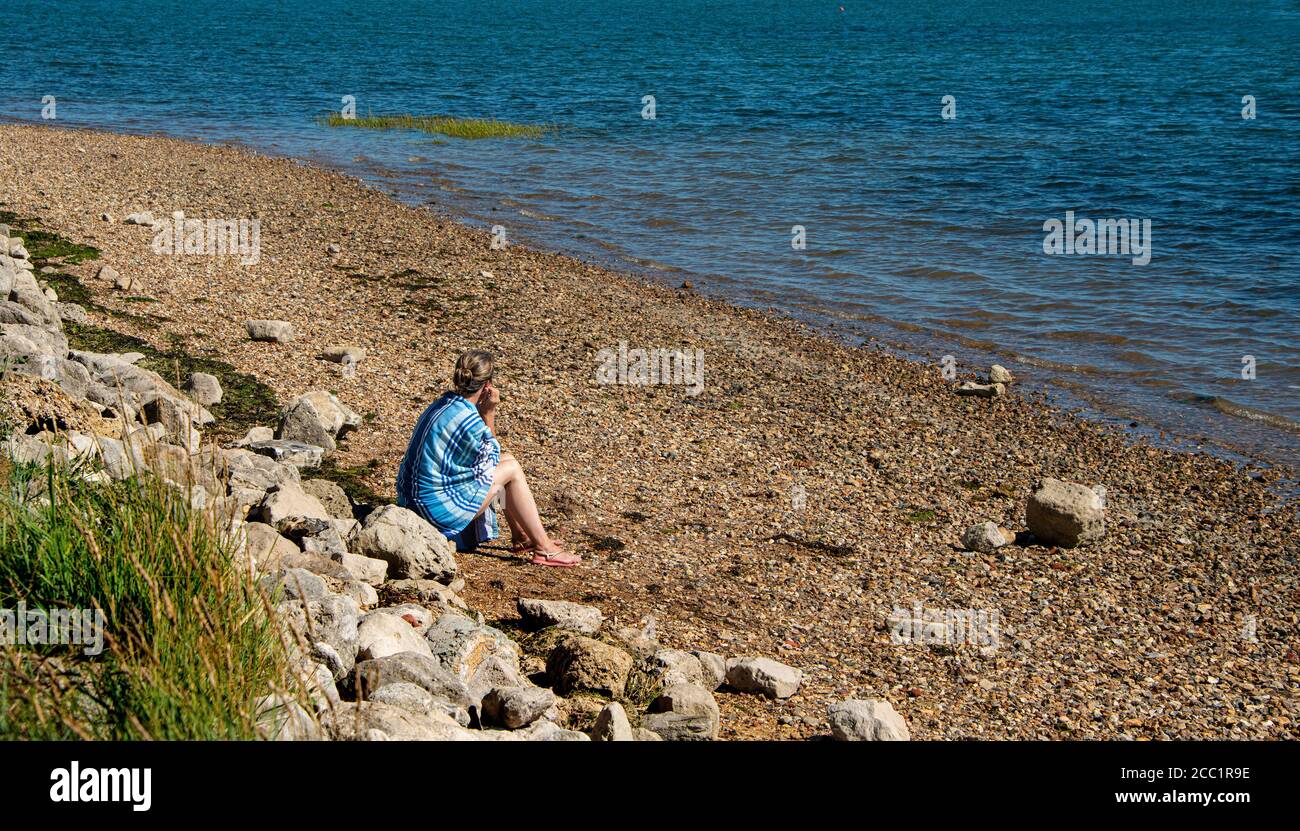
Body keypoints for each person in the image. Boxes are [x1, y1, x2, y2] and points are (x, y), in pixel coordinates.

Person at [396, 350, 578, 567]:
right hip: (431, 511)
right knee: (510, 469)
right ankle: (544, 549)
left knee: (508, 461)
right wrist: (489, 413)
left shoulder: (441, 404)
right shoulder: (469, 420)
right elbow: (489, 462)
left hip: (411, 501)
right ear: (488, 384)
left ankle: (521, 536)